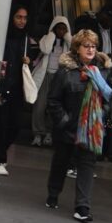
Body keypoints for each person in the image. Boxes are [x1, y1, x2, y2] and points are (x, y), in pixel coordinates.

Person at [43, 27, 112, 222]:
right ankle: (53, 194)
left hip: (91, 129)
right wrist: (65, 121)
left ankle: (82, 207)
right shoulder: (66, 72)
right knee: (61, 162)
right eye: (86, 46)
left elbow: (109, 99)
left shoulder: (104, 71)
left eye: (93, 46)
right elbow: (53, 101)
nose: (91, 49)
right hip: (68, 128)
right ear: (77, 48)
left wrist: (99, 115)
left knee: (87, 165)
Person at [0, 4, 38, 175]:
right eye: (18, 17)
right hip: (4, 86)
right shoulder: (4, 37)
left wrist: (28, 61)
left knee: (14, 125)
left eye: (24, 18)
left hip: (17, 88)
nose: (22, 21)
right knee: (1, 123)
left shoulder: (25, 39)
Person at [29, 16, 70, 146]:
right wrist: (51, 35)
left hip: (58, 77)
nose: (61, 31)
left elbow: (74, 48)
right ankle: (37, 134)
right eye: (58, 28)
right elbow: (45, 49)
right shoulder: (46, 39)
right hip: (45, 75)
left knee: (54, 108)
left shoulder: (67, 43)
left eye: (64, 29)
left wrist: (68, 36)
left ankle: (48, 133)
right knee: (39, 106)